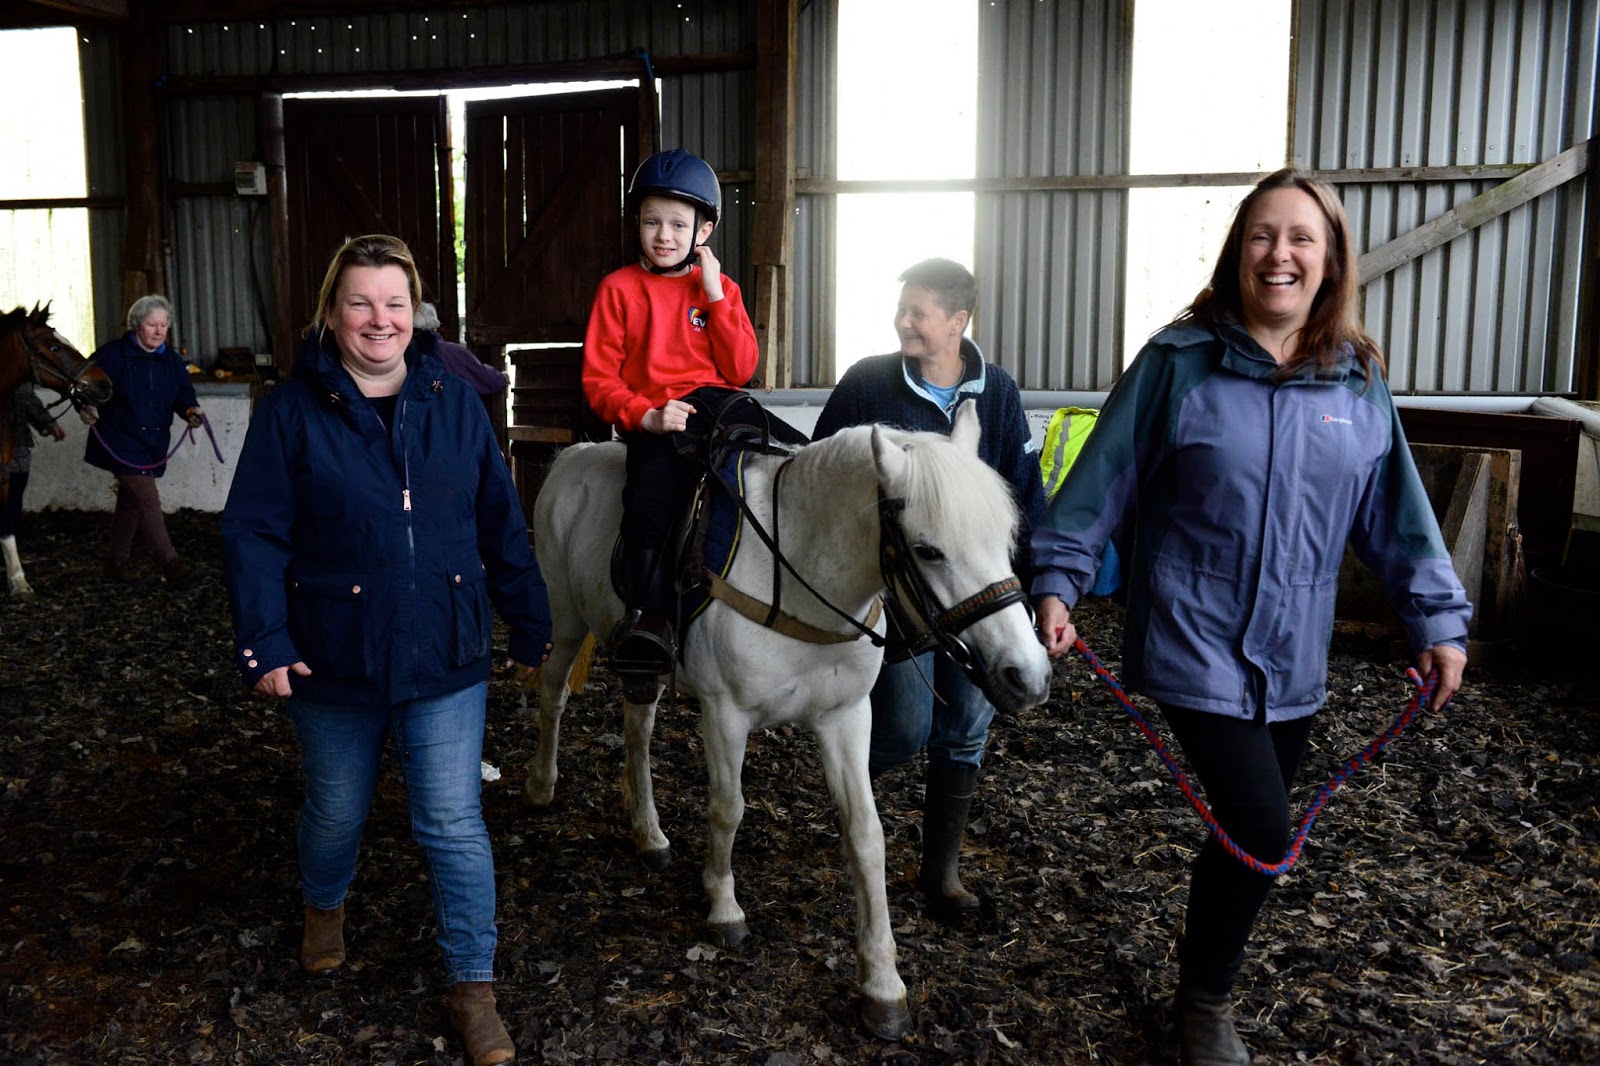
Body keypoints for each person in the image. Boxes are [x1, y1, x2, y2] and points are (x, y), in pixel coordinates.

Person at [1030, 169, 1471, 1066]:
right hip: (1192, 635)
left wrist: (1437, 622)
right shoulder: (1177, 363)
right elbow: (1101, 481)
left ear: (1331, 259)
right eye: (1263, 236)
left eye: (1302, 238)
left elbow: (1396, 513)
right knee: (1264, 827)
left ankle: (1200, 970)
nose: (1280, 255)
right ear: (1239, 253)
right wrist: (1059, 583)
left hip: (1294, 651)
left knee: (1241, 832)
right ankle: (1205, 1004)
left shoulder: (1355, 380)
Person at [221, 234, 552, 1066]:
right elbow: (254, 532)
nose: (380, 319)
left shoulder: (454, 402)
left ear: (416, 312)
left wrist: (530, 619)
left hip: (445, 650)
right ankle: (323, 906)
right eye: (361, 303)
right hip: (335, 654)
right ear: (332, 314)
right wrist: (264, 640)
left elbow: (500, 520)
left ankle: (473, 986)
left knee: (452, 821)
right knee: (337, 811)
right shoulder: (290, 411)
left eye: (395, 303)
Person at [811, 257, 1046, 922]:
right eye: (902, 310)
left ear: (958, 320)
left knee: (966, 728)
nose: (903, 322)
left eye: (918, 312)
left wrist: (1041, 594)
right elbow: (818, 473)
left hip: (978, 600)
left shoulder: (998, 393)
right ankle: (853, 802)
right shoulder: (867, 384)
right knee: (905, 728)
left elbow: (1026, 497)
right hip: (901, 600)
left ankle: (942, 874)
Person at [582, 147, 802, 696]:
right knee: (650, 498)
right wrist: (647, 415)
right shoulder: (618, 289)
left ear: (703, 231)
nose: (664, 235)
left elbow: (742, 368)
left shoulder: (721, 291)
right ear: (637, 223)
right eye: (652, 221)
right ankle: (647, 621)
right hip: (664, 421)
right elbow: (599, 381)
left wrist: (715, 294)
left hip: (721, 410)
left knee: (794, 455)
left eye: (678, 224)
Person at [83, 295, 203, 585]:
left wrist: (190, 410)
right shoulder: (113, 355)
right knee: (147, 498)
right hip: (120, 438)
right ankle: (171, 563)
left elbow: (183, 392)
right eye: (152, 325)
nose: (159, 331)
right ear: (137, 324)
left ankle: (115, 563)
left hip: (153, 440)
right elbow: (84, 383)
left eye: (163, 325)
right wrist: (85, 405)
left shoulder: (171, 361)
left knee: (131, 502)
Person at [2, 382, 67, 538]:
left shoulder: (19, 372)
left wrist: (47, 423)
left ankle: (10, 537)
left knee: (14, 495)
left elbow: (26, 397)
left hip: (18, 444)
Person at [414, 301, 509, 396]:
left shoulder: (408, 354)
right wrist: (501, 378)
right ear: (435, 327)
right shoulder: (453, 353)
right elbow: (482, 376)